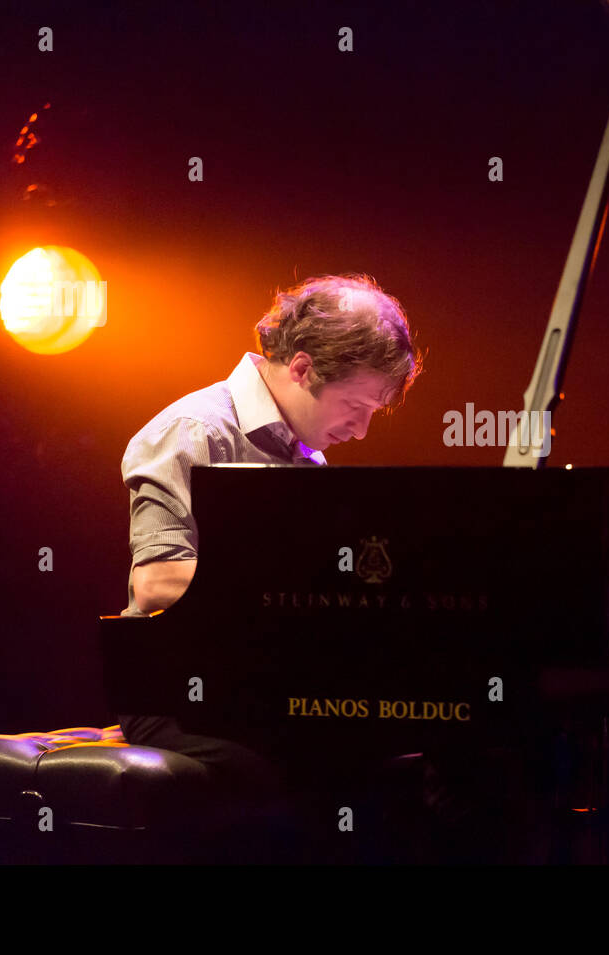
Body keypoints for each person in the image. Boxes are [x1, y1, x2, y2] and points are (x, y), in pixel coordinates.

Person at [114, 274, 423, 857]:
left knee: (425, 760)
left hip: (271, 689)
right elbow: (154, 581)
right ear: (303, 368)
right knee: (306, 778)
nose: (360, 429)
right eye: (356, 406)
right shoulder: (196, 430)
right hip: (181, 695)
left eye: (372, 413)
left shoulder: (305, 455)